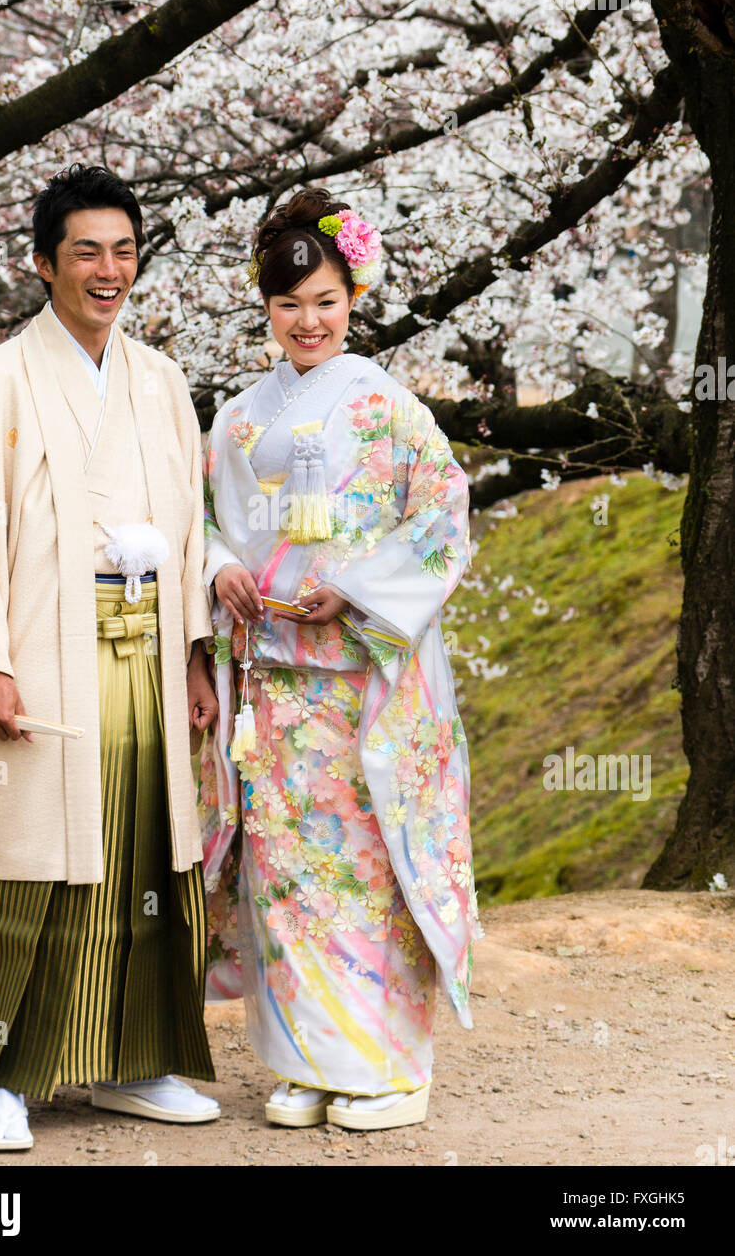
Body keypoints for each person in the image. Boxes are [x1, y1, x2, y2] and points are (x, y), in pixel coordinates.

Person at [0, 163, 221, 1151]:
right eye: (86, 249)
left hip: (147, 649)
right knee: (33, 867)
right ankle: (3, 1078)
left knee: (140, 853)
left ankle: (133, 1060)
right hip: (41, 659)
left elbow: (188, 528)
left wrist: (198, 657)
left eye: (123, 250)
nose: (107, 268)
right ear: (44, 263)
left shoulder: (158, 381)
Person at [197, 186, 484, 1132]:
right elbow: (201, 521)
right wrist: (222, 566)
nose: (307, 321)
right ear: (266, 311)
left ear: (351, 296)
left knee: (368, 863)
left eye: (324, 301)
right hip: (273, 681)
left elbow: (444, 516)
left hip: (362, 675)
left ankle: (391, 1068)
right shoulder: (238, 417)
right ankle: (305, 1062)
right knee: (287, 868)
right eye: (287, 307)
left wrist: (356, 590)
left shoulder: (388, 407)